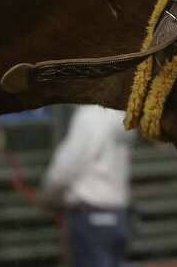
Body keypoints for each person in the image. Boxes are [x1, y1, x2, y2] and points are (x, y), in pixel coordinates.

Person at [40, 105, 137, 266]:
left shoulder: (90, 115)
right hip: (119, 216)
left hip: (91, 218)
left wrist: (48, 195)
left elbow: (67, 164)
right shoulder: (121, 115)